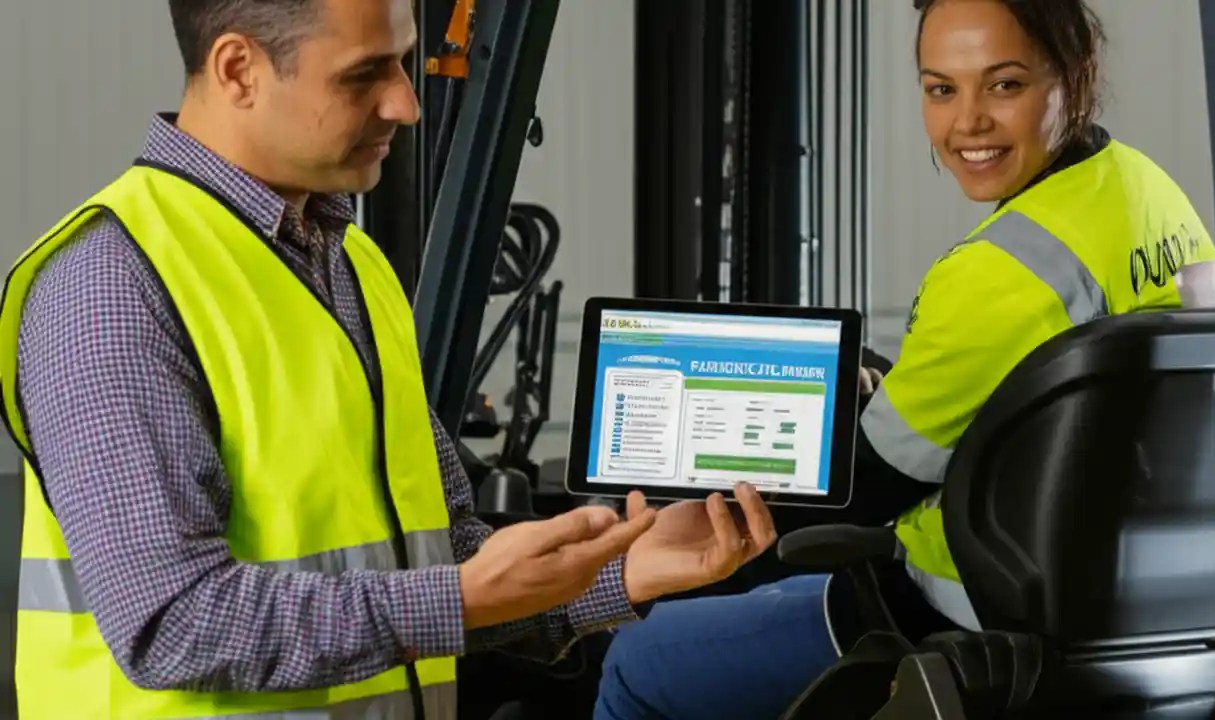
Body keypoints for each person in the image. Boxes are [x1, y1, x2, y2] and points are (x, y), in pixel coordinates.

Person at [0, 1, 778, 718]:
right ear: (239, 69)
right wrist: (461, 599)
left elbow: (439, 557)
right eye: (365, 73)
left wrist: (621, 571)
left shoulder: (353, 265)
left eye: (402, 64)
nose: (404, 103)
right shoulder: (113, 283)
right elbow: (171, 624)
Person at [593, 0, 1215, 717]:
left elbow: (864, 487)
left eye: (1004, 84)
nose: (967, 122)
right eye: (941, 88)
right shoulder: (1145, 189)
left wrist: (702, 499)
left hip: (945, 616)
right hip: (1124, 619)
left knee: (638, 659)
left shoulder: (1002, 270)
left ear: (1072, 76)